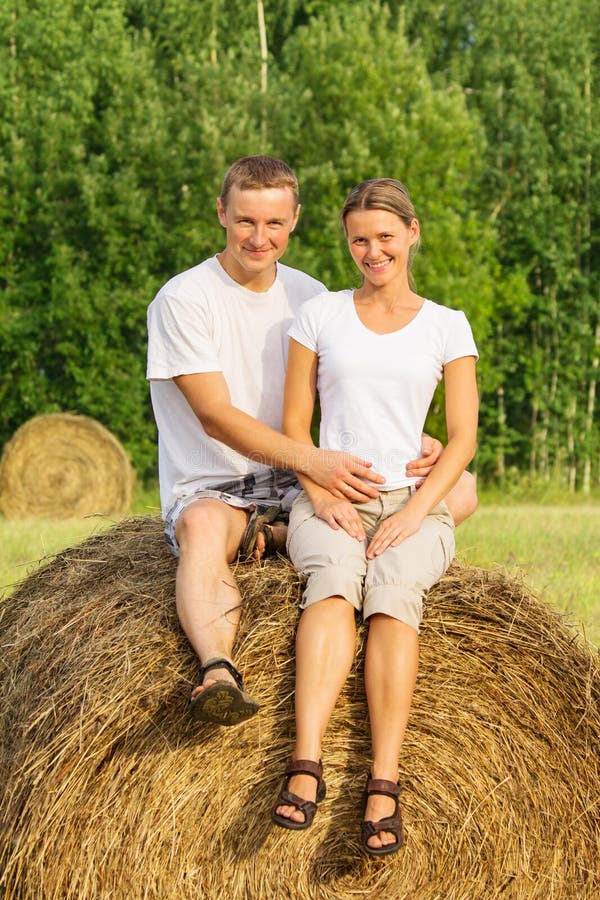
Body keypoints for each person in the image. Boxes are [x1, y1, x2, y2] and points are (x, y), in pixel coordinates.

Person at [146, 156, 475, 729]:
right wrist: (314, 468)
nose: (259, 237)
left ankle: (275, 537)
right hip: (220, 486)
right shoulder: (183, 299)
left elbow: (350, 387)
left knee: (462, 485)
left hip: (307, 474)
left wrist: (413, 436)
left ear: (294, 220)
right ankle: (219, 668)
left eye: (274, 224)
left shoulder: (312, 295)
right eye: (245, 221)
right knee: (201, 527)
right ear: (222, 213)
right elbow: (215, 416)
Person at [271, 178, 479, 857]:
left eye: (385, 236)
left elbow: (464, 438)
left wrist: (417, 512)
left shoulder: (447, 325)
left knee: (392, 595)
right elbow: (294, 424)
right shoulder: (321, 316)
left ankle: (383, 783)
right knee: (331, 582)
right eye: (359, 238)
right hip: (332, 491)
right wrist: (319, 488)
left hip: (409, 502)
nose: (372, 250)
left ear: (412, 234)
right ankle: (306, 765)